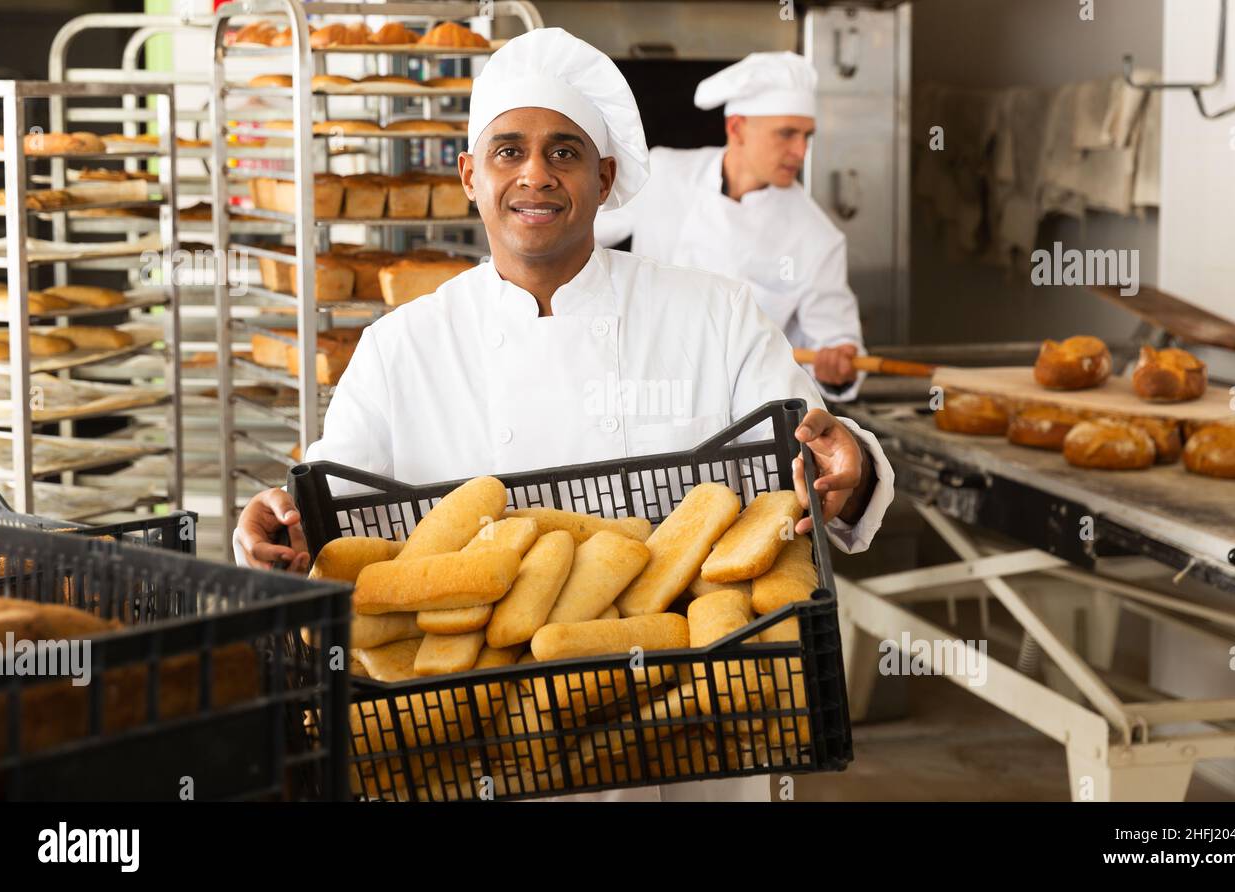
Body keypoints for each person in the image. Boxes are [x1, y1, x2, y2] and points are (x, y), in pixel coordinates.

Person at [234, 28, 893, 802]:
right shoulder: (400, 347)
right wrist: (281, 531)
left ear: (605, 175)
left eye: (566, 152)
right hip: (475, 759)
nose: (535, 176)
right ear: (469, 175)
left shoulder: (713, 315)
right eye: (509, 151)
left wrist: (847, 466)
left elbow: (812, 456)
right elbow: (333, 525)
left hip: (693, 760)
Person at [595, 51, 866, 401]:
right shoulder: (663, 175)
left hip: (747, 418)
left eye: (806, 136)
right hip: (648, 393)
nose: (801, 151)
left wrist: (839, 364)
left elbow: (834, 344)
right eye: (786, 134)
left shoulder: (816, 236)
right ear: (736, 127)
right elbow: (578, 235)